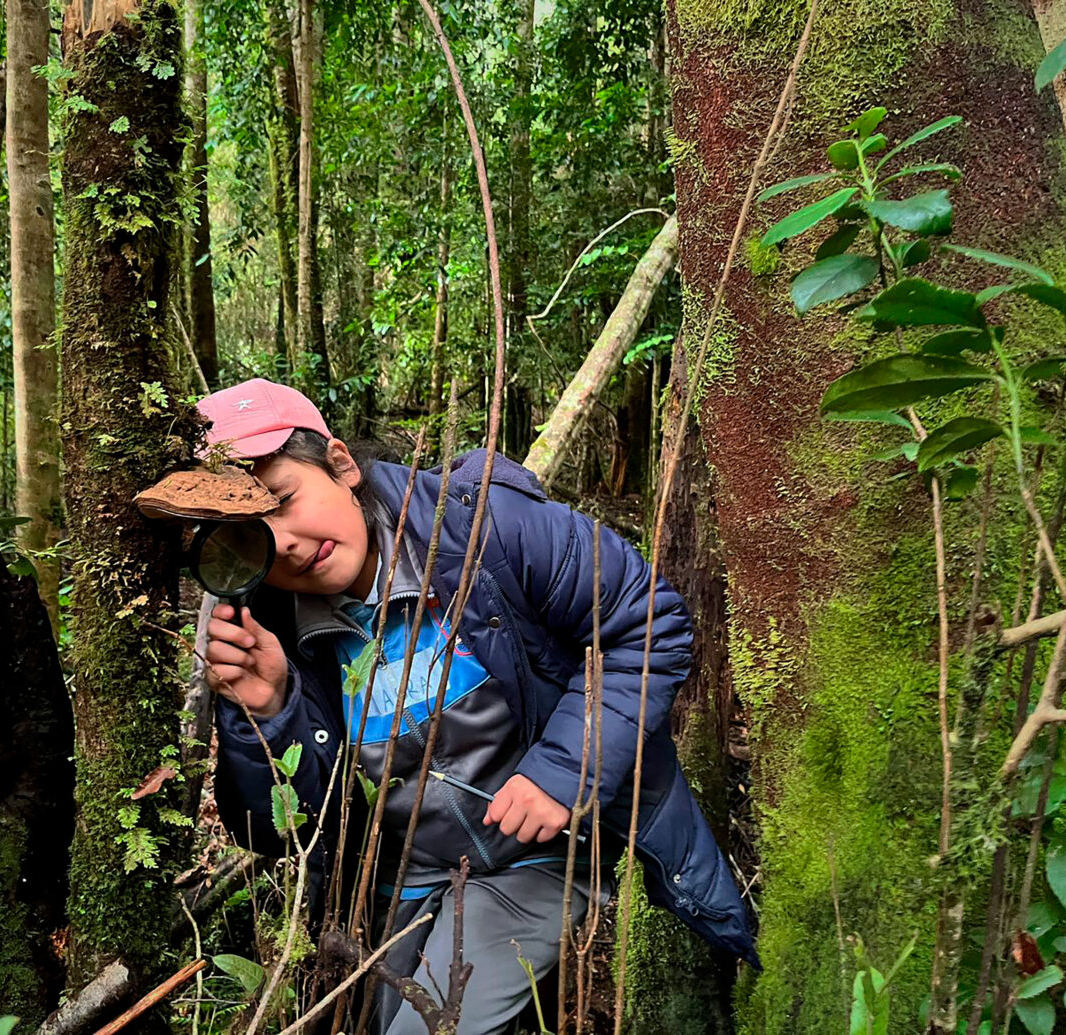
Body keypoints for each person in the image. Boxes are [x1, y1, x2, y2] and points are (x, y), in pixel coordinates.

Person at [156, 377, 754, 1034]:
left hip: (538, 849)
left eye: (288, 501)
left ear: (340, 464)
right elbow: (274, 831)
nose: (288, 542)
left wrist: (564, 770)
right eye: (253, 539)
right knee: (350, 1015)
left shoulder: (484, 529)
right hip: (397, 871)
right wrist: (271, 710)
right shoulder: (272, 631)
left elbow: (647, 622)